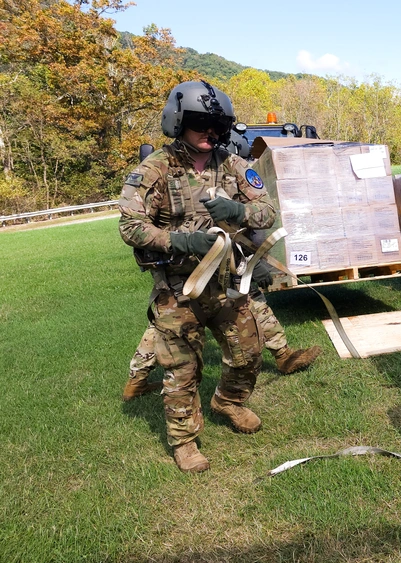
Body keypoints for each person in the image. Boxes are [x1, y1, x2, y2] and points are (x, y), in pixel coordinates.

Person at [119, 80, 275, 473]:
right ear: (178, 122)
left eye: (218, 127)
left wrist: (239, 213)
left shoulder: (234, 165)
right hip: (178, 289)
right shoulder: (155, 168)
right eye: (202, 123)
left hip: (226, 284)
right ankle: (184, 441)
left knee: (249, 353)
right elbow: (130, 226)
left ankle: (229, 401)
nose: (212, 134)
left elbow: (268, 213)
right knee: (181, 369)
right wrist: (182, 240)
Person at [123, 255, 323, 401]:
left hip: (200, 266)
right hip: (191, 270)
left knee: (164, 324)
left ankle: (137, 380)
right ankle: (282, 355)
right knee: (168, 325)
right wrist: (251, 259)